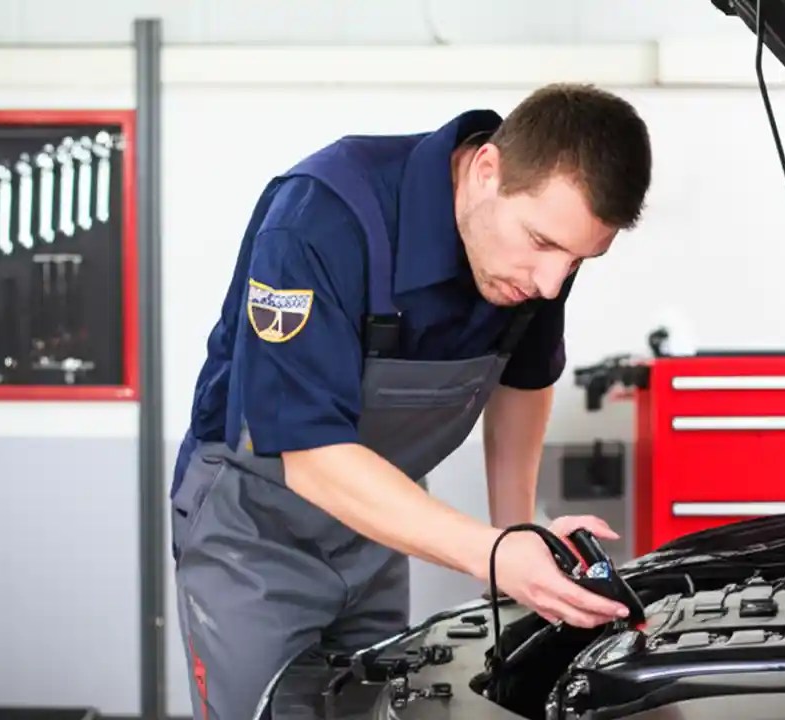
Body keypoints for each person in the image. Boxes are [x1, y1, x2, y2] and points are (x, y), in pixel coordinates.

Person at [169, 83, 653, 720]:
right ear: (486, 170)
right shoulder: (322, 218)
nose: (550, 282)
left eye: (578, 259)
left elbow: (525, 380)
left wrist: (518, 531)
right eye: (541, 244)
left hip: (376, 526)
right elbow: (310, 457)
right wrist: (492, 554)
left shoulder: (539, 254)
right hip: (255, 532)